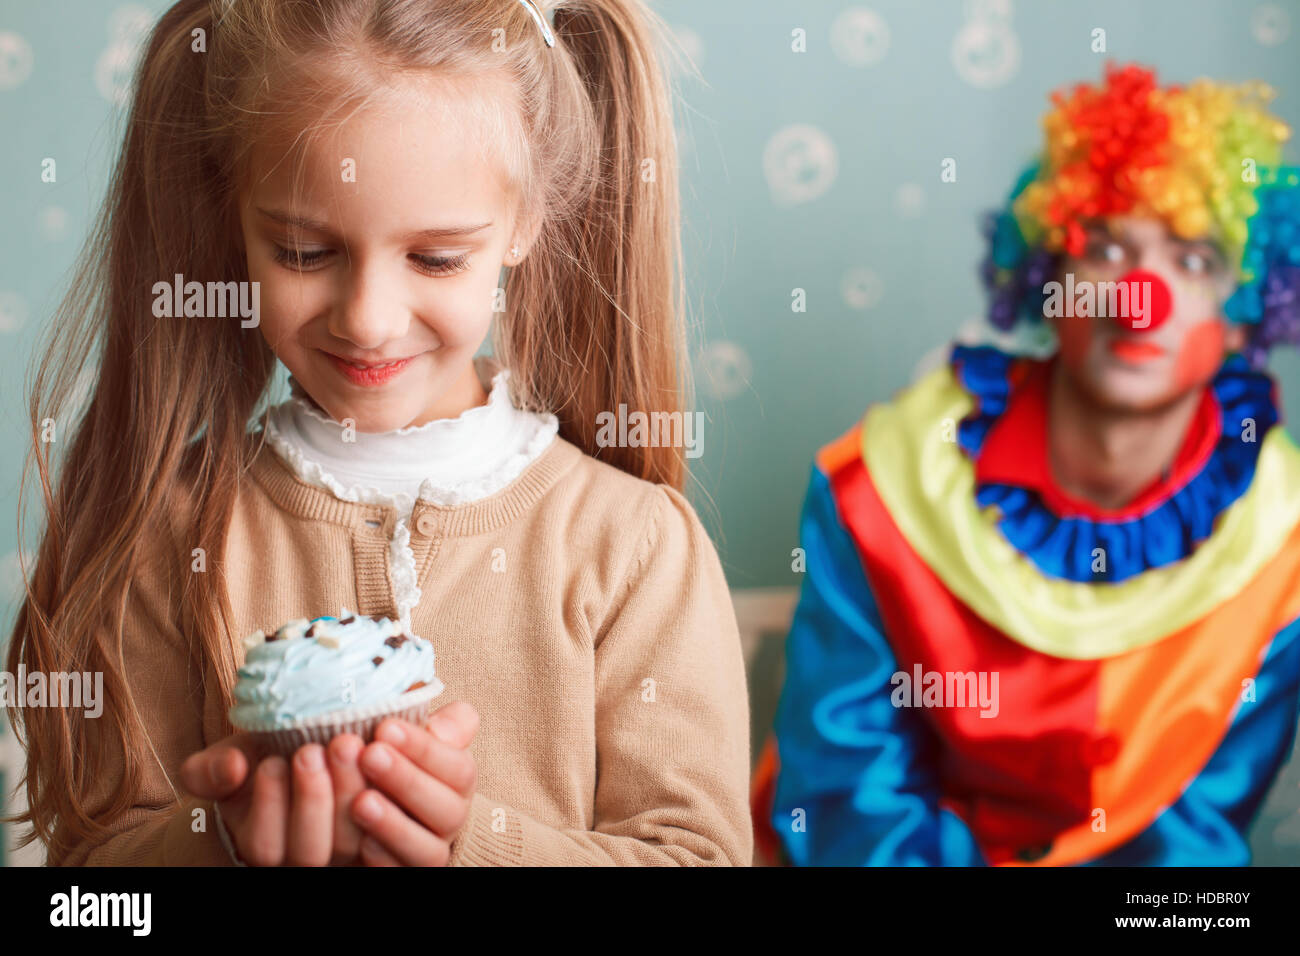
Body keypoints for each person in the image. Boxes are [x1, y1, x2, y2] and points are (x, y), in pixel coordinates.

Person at [5, 0, 751, 867]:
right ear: (234, 219)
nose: (367, 320)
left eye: (435, 259)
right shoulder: (168, 541)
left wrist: (469, 842)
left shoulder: (634, 550)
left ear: (526, 220)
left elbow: (696, 855)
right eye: (302, 251)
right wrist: (219, 840)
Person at [753, 62, 1300, 866]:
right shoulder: (884, 484)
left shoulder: (1279, 544)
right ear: (1052, 280)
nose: (1136, 296)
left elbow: (1192, 849)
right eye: (1105, 247)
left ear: (1247, 309)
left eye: (1191, 260)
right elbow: (846, 802)